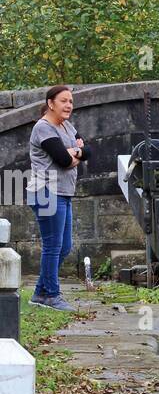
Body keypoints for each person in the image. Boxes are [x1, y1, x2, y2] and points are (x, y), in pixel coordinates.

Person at [27, 84, 88, 311]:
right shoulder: (43, 128)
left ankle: (39, 293)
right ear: (50, 103)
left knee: (64, 247)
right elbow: (63, 160)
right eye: (64, 101)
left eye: (71, 101)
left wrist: (75, 153)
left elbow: (87, 150)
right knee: (53, 246)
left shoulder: (67, 126)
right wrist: (74, 152)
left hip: (63, 192)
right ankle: (52, 295)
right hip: (45, 192)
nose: (69, 105)